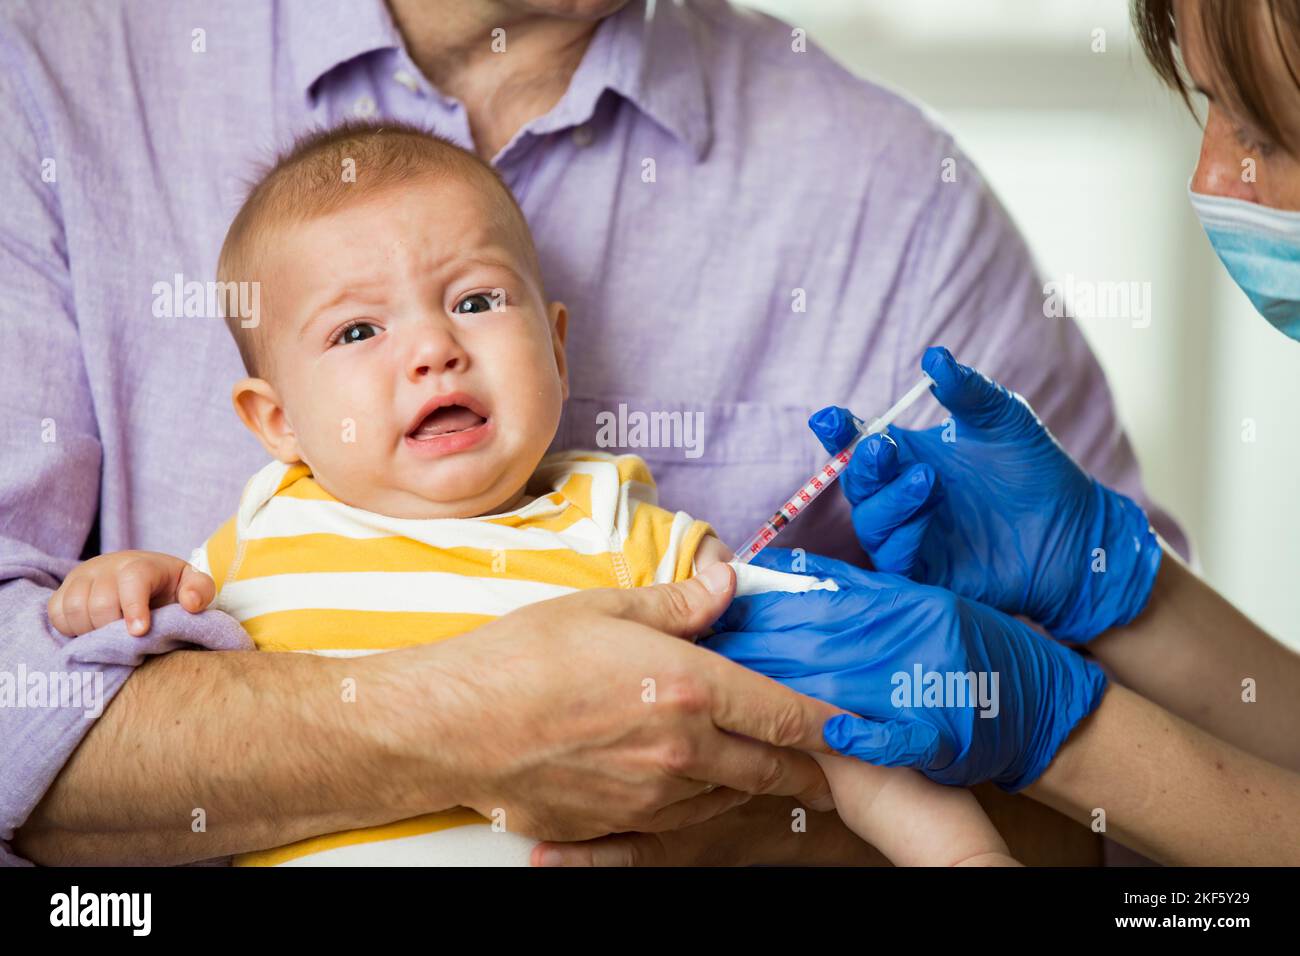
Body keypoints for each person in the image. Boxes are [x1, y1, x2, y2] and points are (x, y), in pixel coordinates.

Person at [2, 0, 1172, 866]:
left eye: (475, 303)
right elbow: (68, 659)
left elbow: (1110, 756)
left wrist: (760, 820)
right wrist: (123, 594)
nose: (433, 353)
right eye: (357, 331)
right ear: (272, 423)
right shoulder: (52, 69)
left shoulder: (638, 522)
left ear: (559, 346)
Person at [541, 0, 1300, 866]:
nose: (1212, 179)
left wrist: (1055, 725)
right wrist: (1105, 576)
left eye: (1268, 133)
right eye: (1210, 106)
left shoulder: (885, 184)